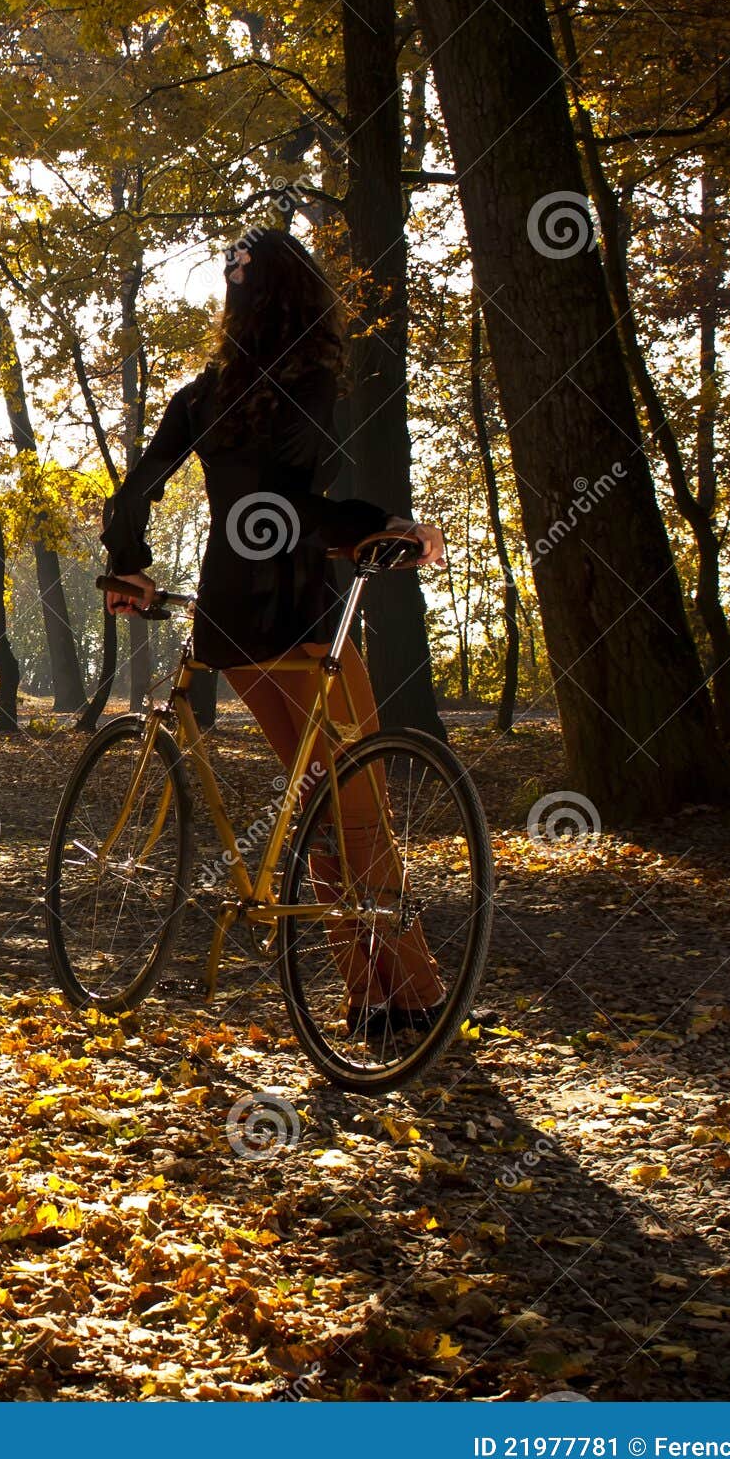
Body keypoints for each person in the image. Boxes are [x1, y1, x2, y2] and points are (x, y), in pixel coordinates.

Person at [99, 227, 447, 1041]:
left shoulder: (204, 394)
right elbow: (292, 514)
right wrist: (382, 526)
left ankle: (372, 996)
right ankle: (417, 994)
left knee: (322, 796)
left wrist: (129, 567)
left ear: (237, 302)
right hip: (297, 618)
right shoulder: (310, 381)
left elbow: (135, 491)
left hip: (230, 624)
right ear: (305, 298)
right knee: (356, 803)